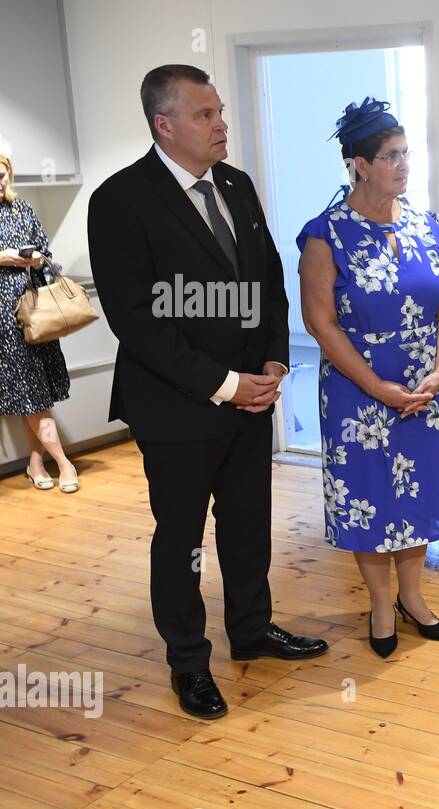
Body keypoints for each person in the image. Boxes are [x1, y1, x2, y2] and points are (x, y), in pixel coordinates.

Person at [88, 64, 327, 720]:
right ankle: (188, 661)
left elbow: (268, 280)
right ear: (164, 124)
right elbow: (135, 321)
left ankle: (250, 630)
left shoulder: (237, 184)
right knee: (182, 537)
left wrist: (274, 359)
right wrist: (225, 385)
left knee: (248, 523)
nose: (222, 125)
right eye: (206, 116)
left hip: (253, 398)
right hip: (177, 407)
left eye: (220, 112)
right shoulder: (118, 201)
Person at [298, 98, 439, 659]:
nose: (404, 165)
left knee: (414, 499)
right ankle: (381, 605)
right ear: (359, 164)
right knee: (372, 499)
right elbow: (319, 321)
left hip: (425, 392)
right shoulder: (327, 234)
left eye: (407, 154)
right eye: (391, 156)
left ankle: (414, 598)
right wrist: (375, 386)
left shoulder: (425, 225)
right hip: (357, 395)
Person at [0, 152, 79, 493]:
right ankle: (64, 462)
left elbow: (47, 253)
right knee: (29, 391)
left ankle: (35, 462)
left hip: (35, 310)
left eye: (3, 174)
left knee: (32, 391)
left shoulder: (23, 209)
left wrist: (35, 260)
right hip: (5, 318)